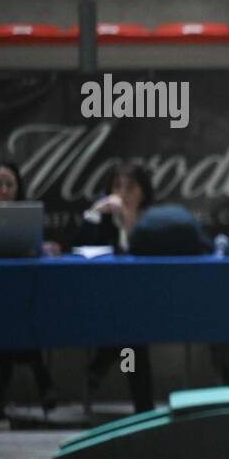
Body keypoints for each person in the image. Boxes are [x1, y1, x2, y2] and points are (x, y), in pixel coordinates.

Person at [0, 161, 56, 425]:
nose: (3, 190)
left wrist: (45, 248)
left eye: (9, 184)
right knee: (10, 327)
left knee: (16, 324)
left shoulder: (27, 219)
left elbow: (34, 251)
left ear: (18, 188)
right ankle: (42, 379)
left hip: (21, 301)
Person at [76, 161, 156, 415]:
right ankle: (144, 408)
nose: (122, 193)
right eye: (117, 186)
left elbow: (141, 251)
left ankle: (98, 366)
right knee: (130, 331)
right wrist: (95, 212)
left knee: (129, 328)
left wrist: (130, 218)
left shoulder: (154, 220)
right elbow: (78, 247)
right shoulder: (103, 219)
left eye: (130, 187)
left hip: (148, 304)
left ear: (143, 191)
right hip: (104, 301)